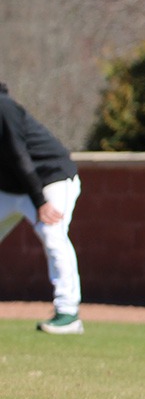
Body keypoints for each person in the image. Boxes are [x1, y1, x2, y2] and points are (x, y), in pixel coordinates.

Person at [0, 83, 84, 335]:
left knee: (53, 234)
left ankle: (68, 313)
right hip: (11, 187)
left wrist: (40, 201)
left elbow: (18, 154)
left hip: (50, 179)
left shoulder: (4, 107)